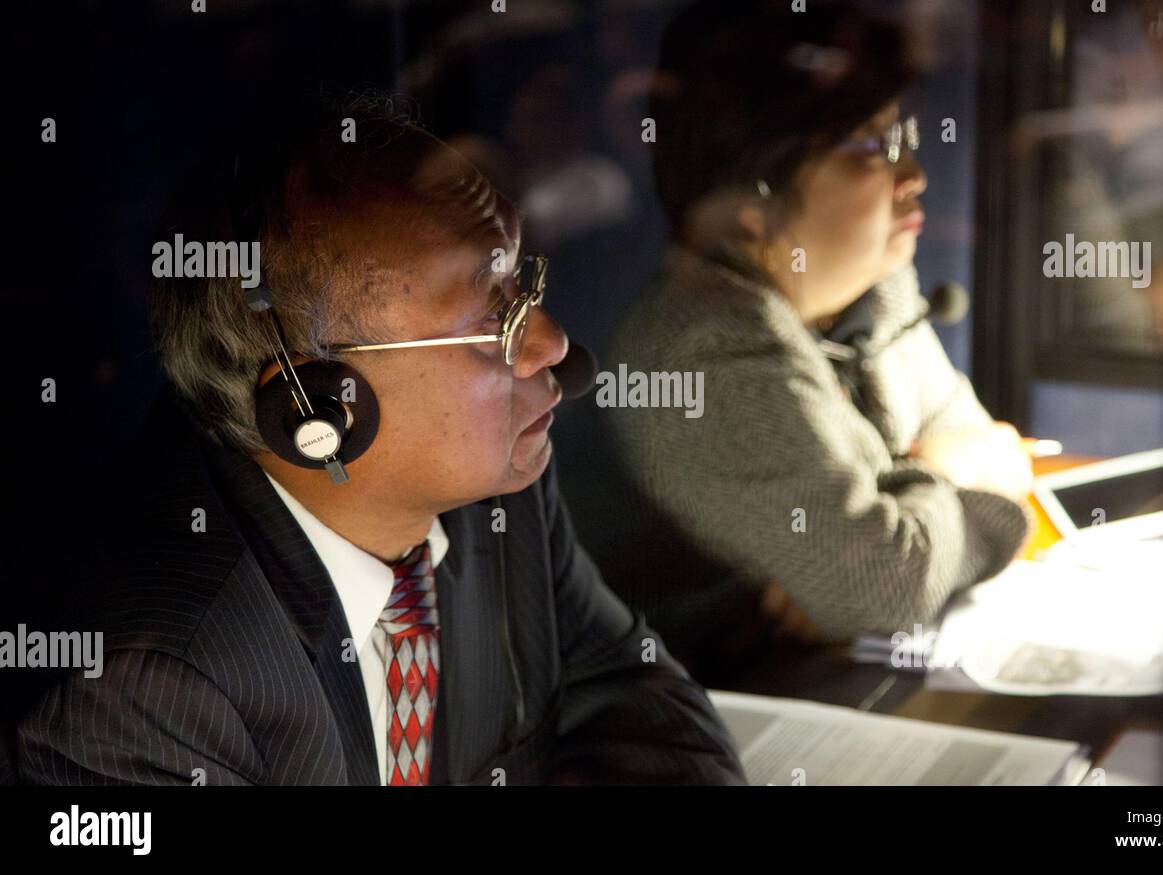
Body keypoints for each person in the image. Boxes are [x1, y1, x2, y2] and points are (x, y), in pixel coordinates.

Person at [15, 94, 744, 786]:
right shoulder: (141, 688)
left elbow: (628, 689)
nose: (551, 344)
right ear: (320, 407)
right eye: (495, 320)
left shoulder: (498, 486)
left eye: (523, 285)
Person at [595, 0, 1033, 675]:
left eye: (904, 138)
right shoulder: (704, 350)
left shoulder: (867, 289)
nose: (913, 174)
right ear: (752, 206)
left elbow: (954, 431)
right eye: (870, 147)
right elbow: (885, 581)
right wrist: (960, 474)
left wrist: (894, 527)